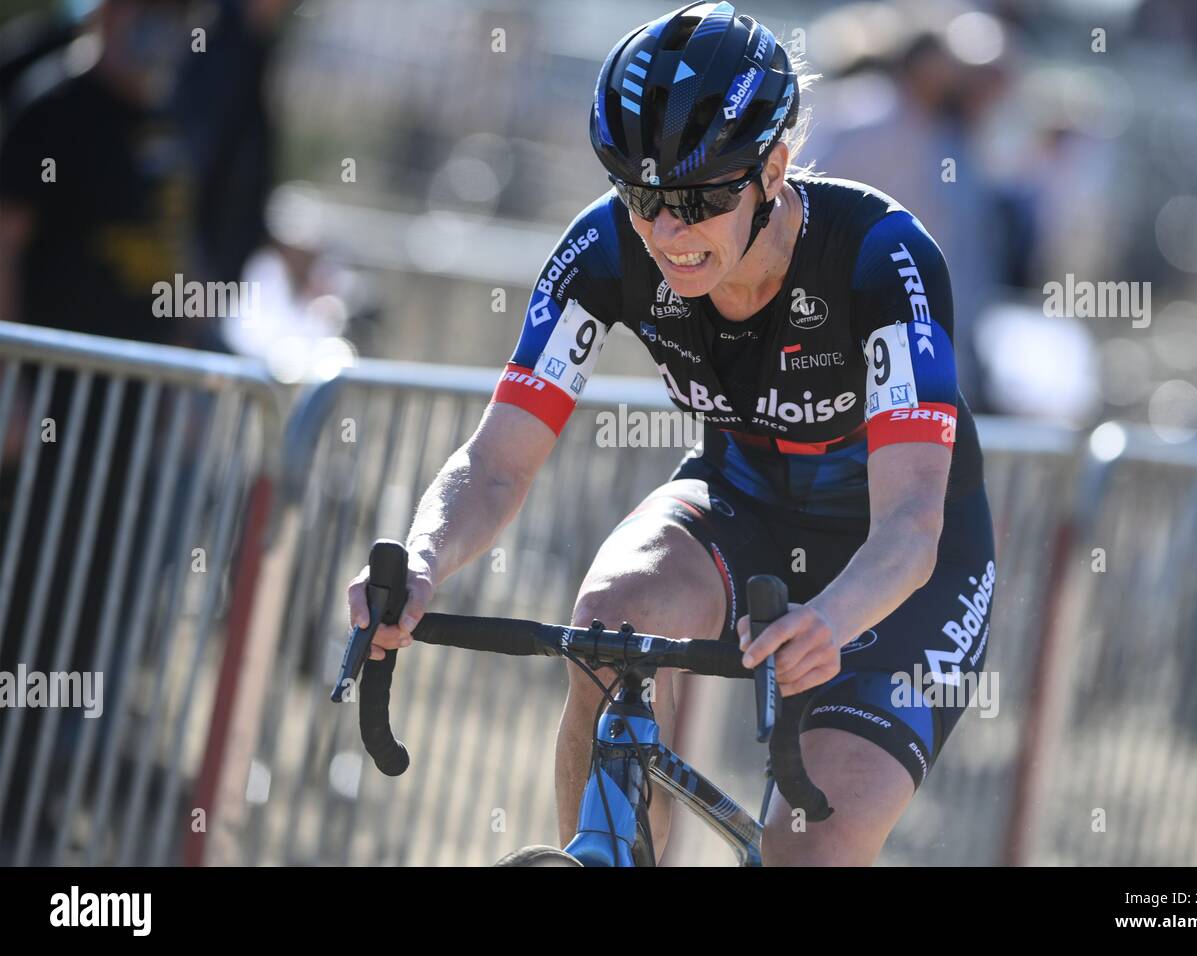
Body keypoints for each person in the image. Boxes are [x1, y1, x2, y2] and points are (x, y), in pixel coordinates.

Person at [348, 0, 996, 866]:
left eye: (698, 198)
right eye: (641, 193)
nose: (667, 231)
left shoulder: (883, 256)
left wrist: (829, 619)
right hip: (743, 501)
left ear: (775, 164)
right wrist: (424, 561)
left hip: (902, 566)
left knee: (812, 842)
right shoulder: (606, 248)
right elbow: (498, 463)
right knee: (611, 622)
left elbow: (913, 527)